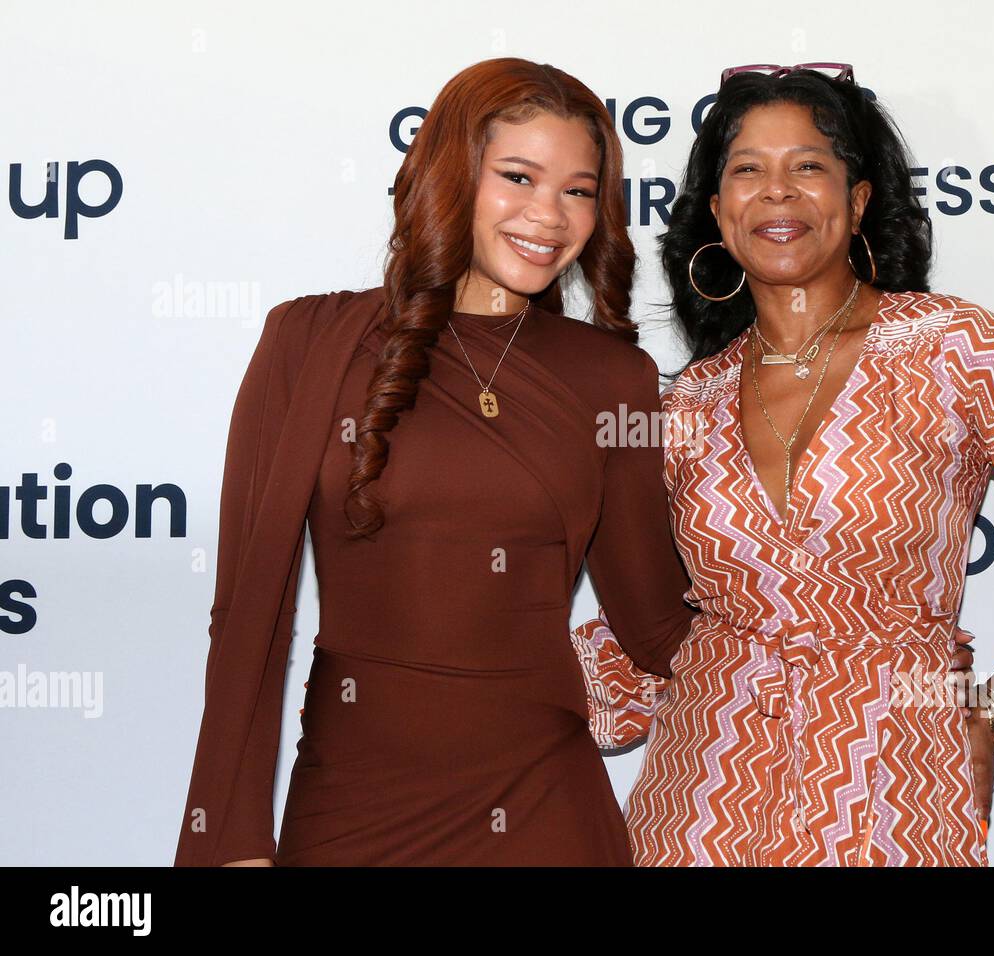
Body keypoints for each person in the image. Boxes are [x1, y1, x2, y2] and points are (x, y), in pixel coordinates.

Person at [570, 63, 994, 866]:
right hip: (704, 792)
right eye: (747, 170)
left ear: (857, 200)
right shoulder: (690, 401)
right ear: (717, 213)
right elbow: (652, 619)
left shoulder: (952, 347)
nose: (778, 192)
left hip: (899, 775)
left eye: (809, 166)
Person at [174, 57, 702, 866]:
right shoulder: (308, 343)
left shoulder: (612, 377)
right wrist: (231, 838)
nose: (550, 215)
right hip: (352, 804)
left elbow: (658, 623)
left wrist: (859, 649)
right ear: (451, 174)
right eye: (519, 176)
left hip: (544, 808)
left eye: (579, 190)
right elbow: (249, 616)